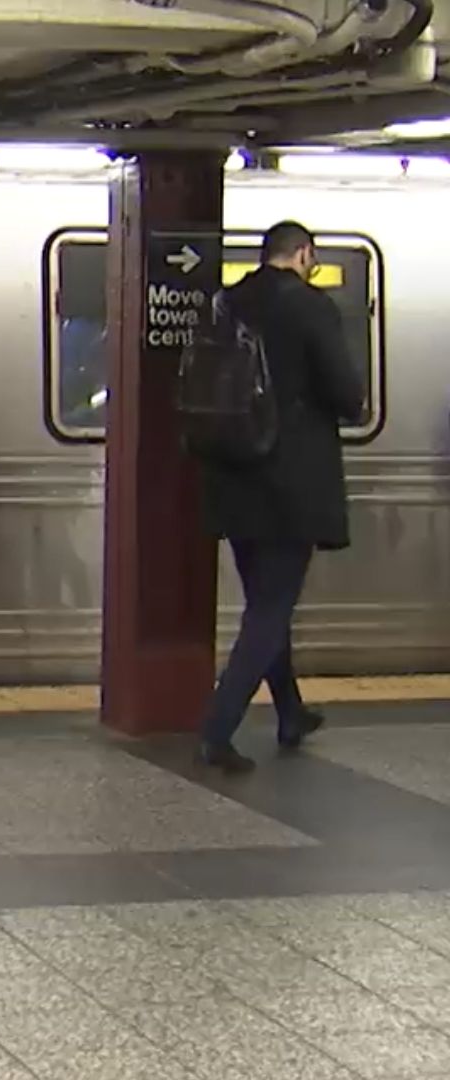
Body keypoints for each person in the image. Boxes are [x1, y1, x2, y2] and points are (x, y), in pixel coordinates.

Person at [197, 220, 364, 774]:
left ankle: (290, 711)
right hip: (291, 481)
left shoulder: (228, 302)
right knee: (270, 610)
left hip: (235, 477)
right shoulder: (310, 307)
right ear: (304, 255)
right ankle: (218, 728)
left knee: (267, 604)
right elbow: (346, 393)